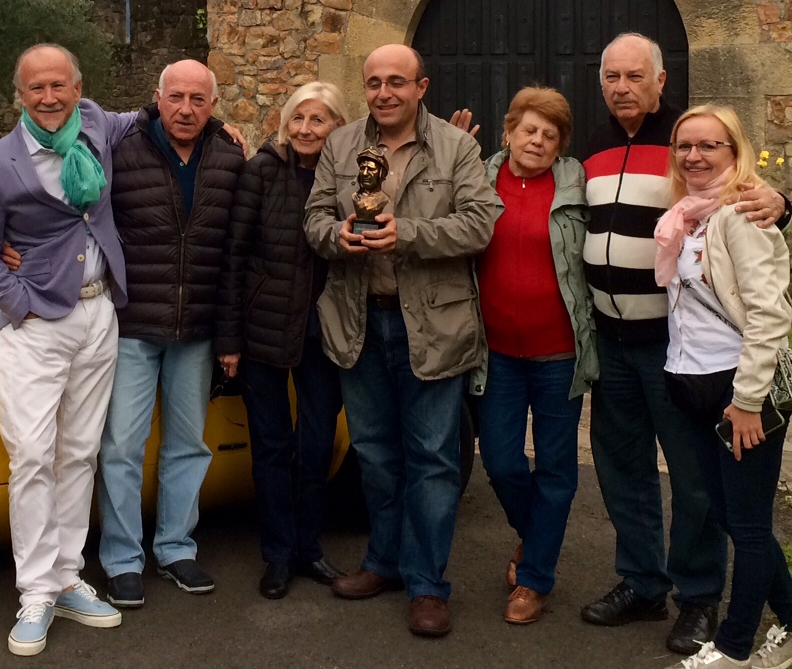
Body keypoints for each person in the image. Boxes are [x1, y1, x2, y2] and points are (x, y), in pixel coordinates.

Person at [580, 33, 790, 655]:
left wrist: (784, 202)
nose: (622, 87)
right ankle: (642, 582)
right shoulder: (588, 147)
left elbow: (751, 202)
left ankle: (698, 597)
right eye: (611, 76)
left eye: (634, 76)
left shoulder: (688, 144)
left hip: (672, 347)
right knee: (622, 469)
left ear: (661, 80)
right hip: (609, 339)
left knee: (695, 481)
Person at [304, 44, 501, 638]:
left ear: (421, 87)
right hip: (358, 322)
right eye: (373, 83)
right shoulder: (341, 146)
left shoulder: (456, 147)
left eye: (396, 82)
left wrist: (406, 233)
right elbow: (313, 218)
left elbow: (481, 221)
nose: (384, 93)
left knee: (434, 461)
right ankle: (383, 562)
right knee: (376, 457)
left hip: (433, 327)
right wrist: (338, 235)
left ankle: (426, 584)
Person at [0, 43, 134, 657]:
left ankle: (67, 575)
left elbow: (157, 117)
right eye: (37, 89)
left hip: (99, 312)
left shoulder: (96, 125)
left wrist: (227, 130)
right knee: (32, 453)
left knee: (80, 451)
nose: (50, 98)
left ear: (77, 87)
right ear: (21, 95)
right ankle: (34, 589)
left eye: (59, 86)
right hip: (38, 323)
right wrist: (21, 302)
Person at [655, 105, 792, 669]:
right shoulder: (685, 216)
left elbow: (768, 313)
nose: (695, 156)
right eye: (685, 146)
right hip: (693, 382)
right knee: (729, 516)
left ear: (735, 152)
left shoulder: (742, 214)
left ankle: (733, 654)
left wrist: (748, 399)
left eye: (710, 146)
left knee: (748, 524)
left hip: (738, 390)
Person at [95, 59, 246, 608]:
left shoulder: (231, 156)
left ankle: (177, 549)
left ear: (213, 103)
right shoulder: (120, 148)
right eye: (176, 97)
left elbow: (234, 253)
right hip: (134, 325)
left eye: (197, 100)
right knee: (122, 447)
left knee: (189, 446)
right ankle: (122, 558)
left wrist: (229, 335)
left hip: (198, 329)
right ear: (156, 97)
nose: (186, 109)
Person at [475, 87, 597, 626]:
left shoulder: (579, 184)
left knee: (555, 469)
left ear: (560, 146)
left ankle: (535, 579)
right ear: (508, 132)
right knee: (500, 461)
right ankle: (535, 535)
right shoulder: (477, 178)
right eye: (529, 129)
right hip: (495, 352)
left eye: (550, 135)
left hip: (558, 354)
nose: (538, 141)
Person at [223, 80, 350, 600]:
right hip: (263, 331)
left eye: (317, 120)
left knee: (318, 445)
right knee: (271, 447)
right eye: (298, 118)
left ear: (337, 126)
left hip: (323, 332)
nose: (304, 129)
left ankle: (308, 548)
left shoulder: (350, 178)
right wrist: (229, 336)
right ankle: (277, 554)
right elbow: (234, 257)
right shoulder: (261, 171)